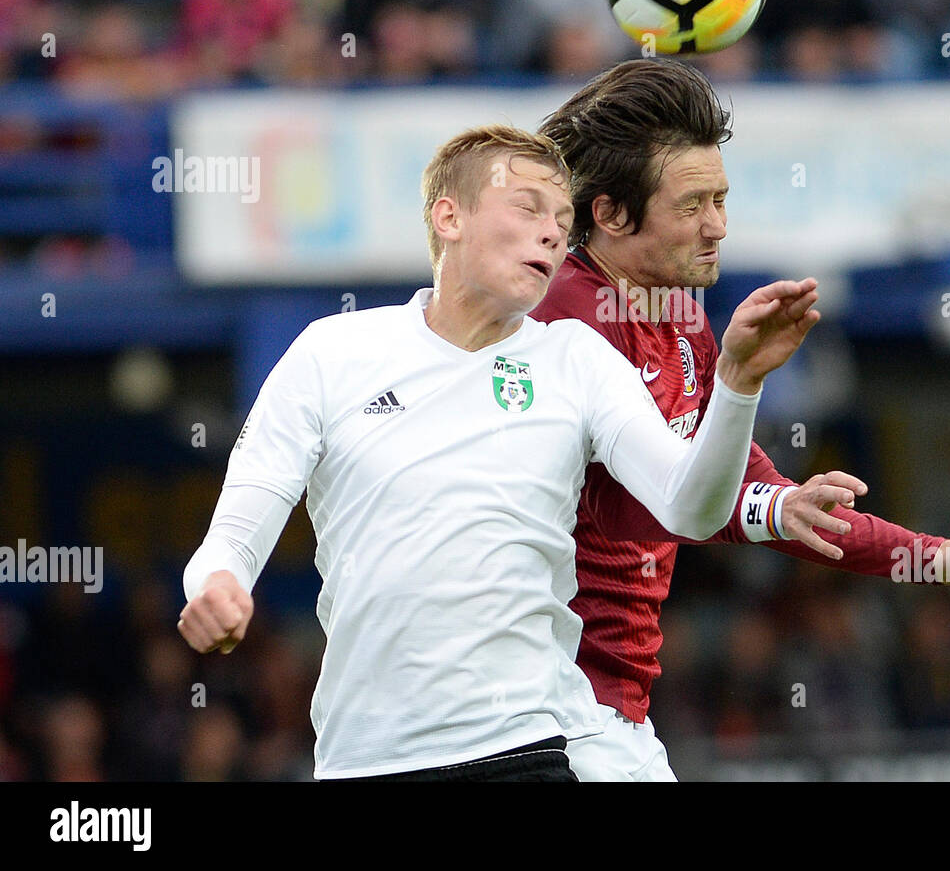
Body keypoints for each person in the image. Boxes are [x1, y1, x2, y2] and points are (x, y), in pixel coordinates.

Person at [177, 124, 835, 782]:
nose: (552, 232)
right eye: (527, 208)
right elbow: (229, 540)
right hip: (364, 760)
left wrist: (738, 383)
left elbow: (688, 508)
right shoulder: (331, 353)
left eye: (562, 219)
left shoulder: (577, 361)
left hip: (524, 750)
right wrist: (218, 587)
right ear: (449, 215)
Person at [531, 59, 950, 781]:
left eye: (721, 199)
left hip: (612, 712)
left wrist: (925, 554)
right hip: (548, 709)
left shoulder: (680, 316)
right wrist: (758, 464)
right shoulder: (558, 321)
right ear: (610, 214)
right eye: (692, 205)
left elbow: (736, 489)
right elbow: (658, 501)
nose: (717, 227)